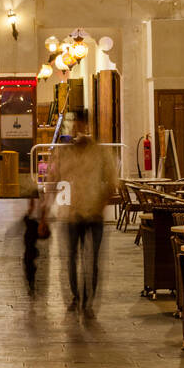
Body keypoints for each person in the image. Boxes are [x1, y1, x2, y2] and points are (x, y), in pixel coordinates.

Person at [49, 109, 118, 316]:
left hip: (93, 214)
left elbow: (111, 183)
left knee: (92, 260)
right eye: (73, 123)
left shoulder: (99, 152)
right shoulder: (63, 151)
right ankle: (75, 296)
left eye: (79, 123)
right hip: (70, 214)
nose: (76, 127)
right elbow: (53, 180)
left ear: (86, 126)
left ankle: (88, 301)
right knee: (70, 258)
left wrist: (100, 203)